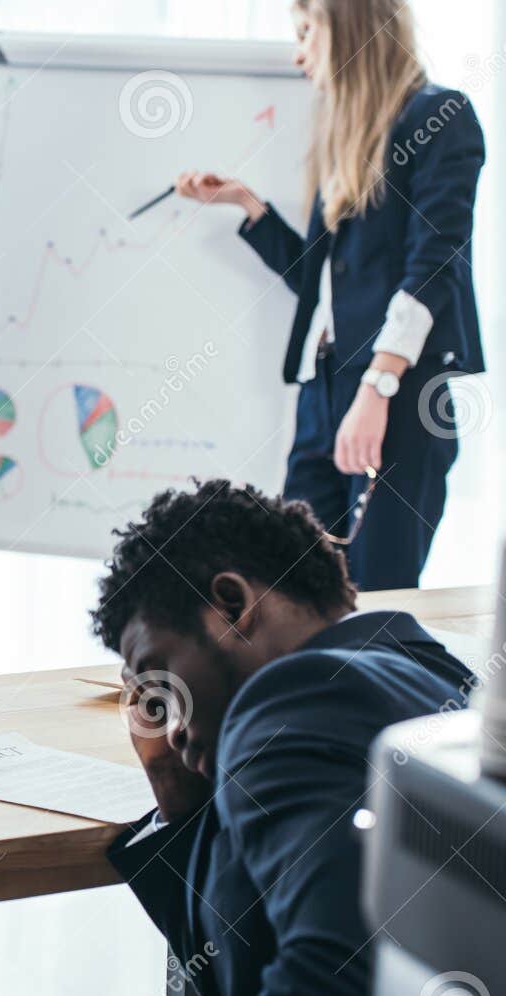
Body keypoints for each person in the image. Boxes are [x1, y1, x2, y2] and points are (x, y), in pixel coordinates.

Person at [92, 480, 473, 996]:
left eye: (160, 677)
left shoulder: (290, 700)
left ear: (230, 605)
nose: (170, 730)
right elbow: (243, 968)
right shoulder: (430, 671)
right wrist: (178, 793)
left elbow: (332, 978)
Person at [175, 0, 484, 591]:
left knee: (374, 597)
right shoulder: (348, 140)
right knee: (293, 587)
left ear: (347, 28)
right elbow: (323, 287)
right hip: (324, 389)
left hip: (398, 393)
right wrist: (248, 206)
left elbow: (434, 266)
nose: (299, 54)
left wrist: (378, 386)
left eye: (306, 32)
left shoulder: (440, 116)